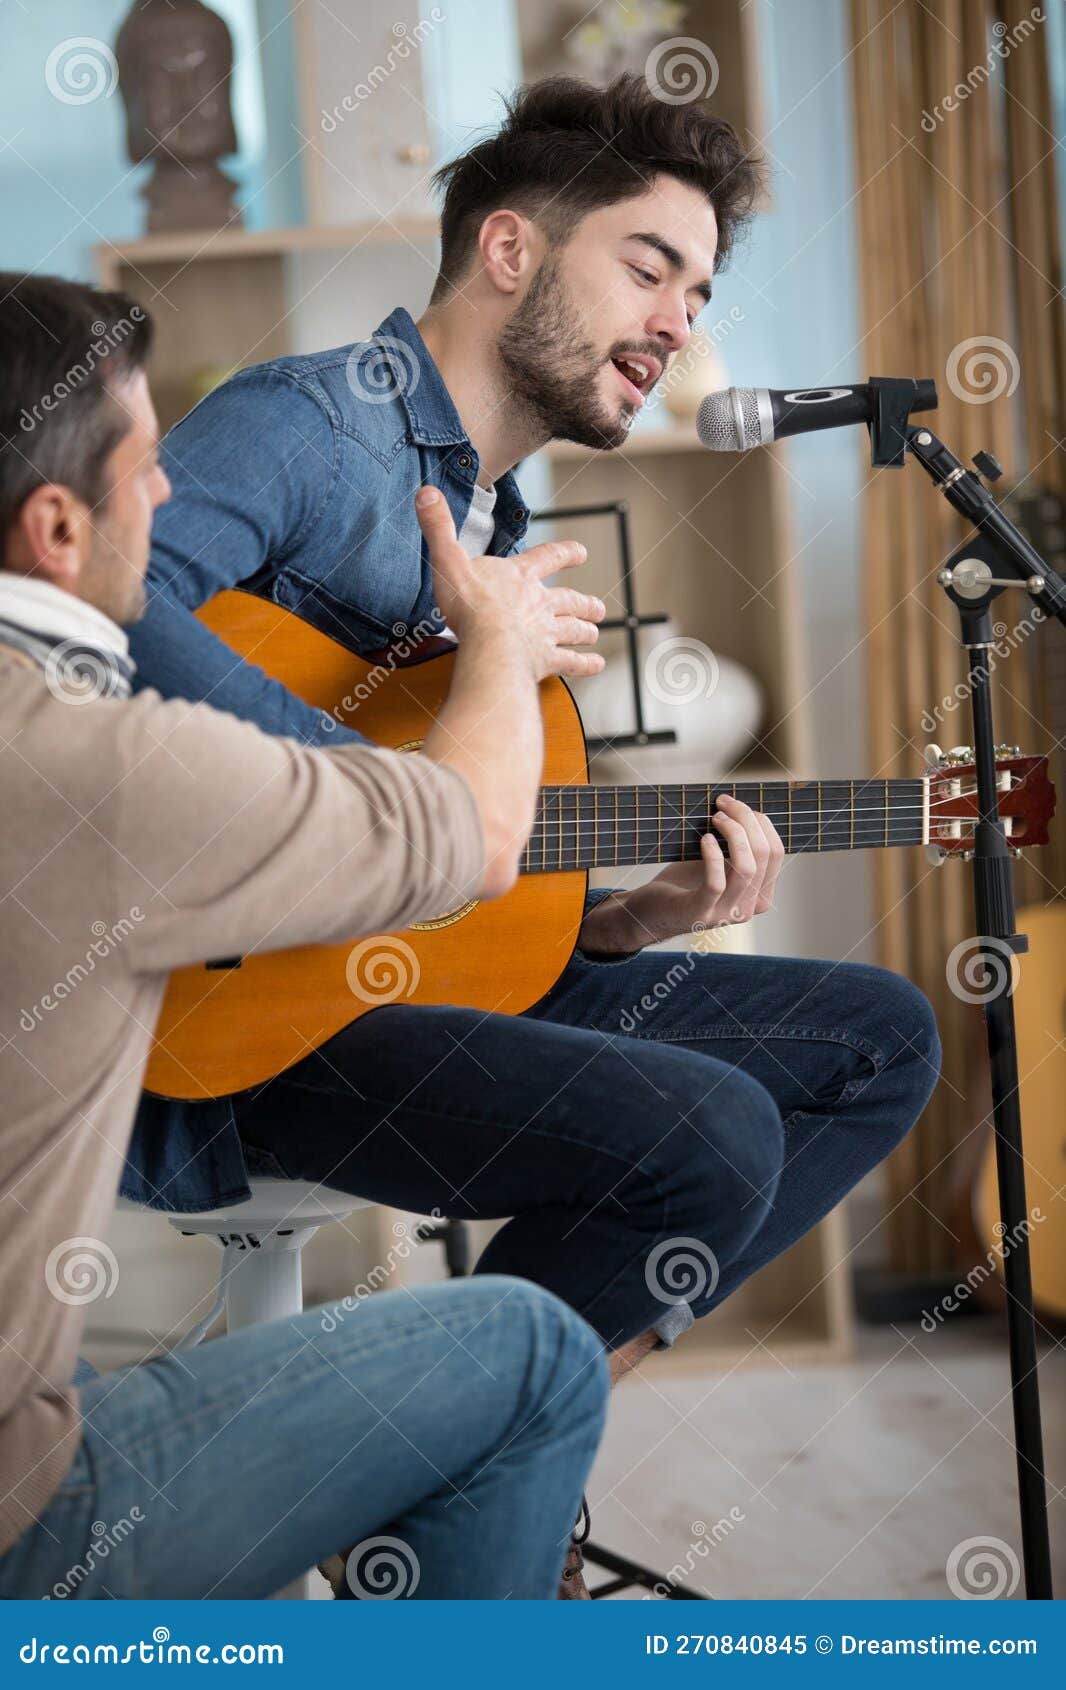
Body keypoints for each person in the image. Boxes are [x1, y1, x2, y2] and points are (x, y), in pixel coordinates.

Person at [122, 73, 942, 1595]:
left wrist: (621, 923)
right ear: (507, 251)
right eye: (646, 266)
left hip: (413, 976)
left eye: (697, 290)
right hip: (242, 1023)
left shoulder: (500, 519)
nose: (679, 318)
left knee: (878, 1037)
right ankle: (460, 1493)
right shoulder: (309, 427)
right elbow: (99, 619)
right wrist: (404, 808)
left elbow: (481, 867)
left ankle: (481, 1466)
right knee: (705, 1132)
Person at [0, 273, 609, 1600]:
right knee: (534, 1352)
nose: (167, 501)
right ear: (55, 526)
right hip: (19, 1528)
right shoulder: (97, 764)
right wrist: (496, 646)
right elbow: (468, 832)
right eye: (147, 470)